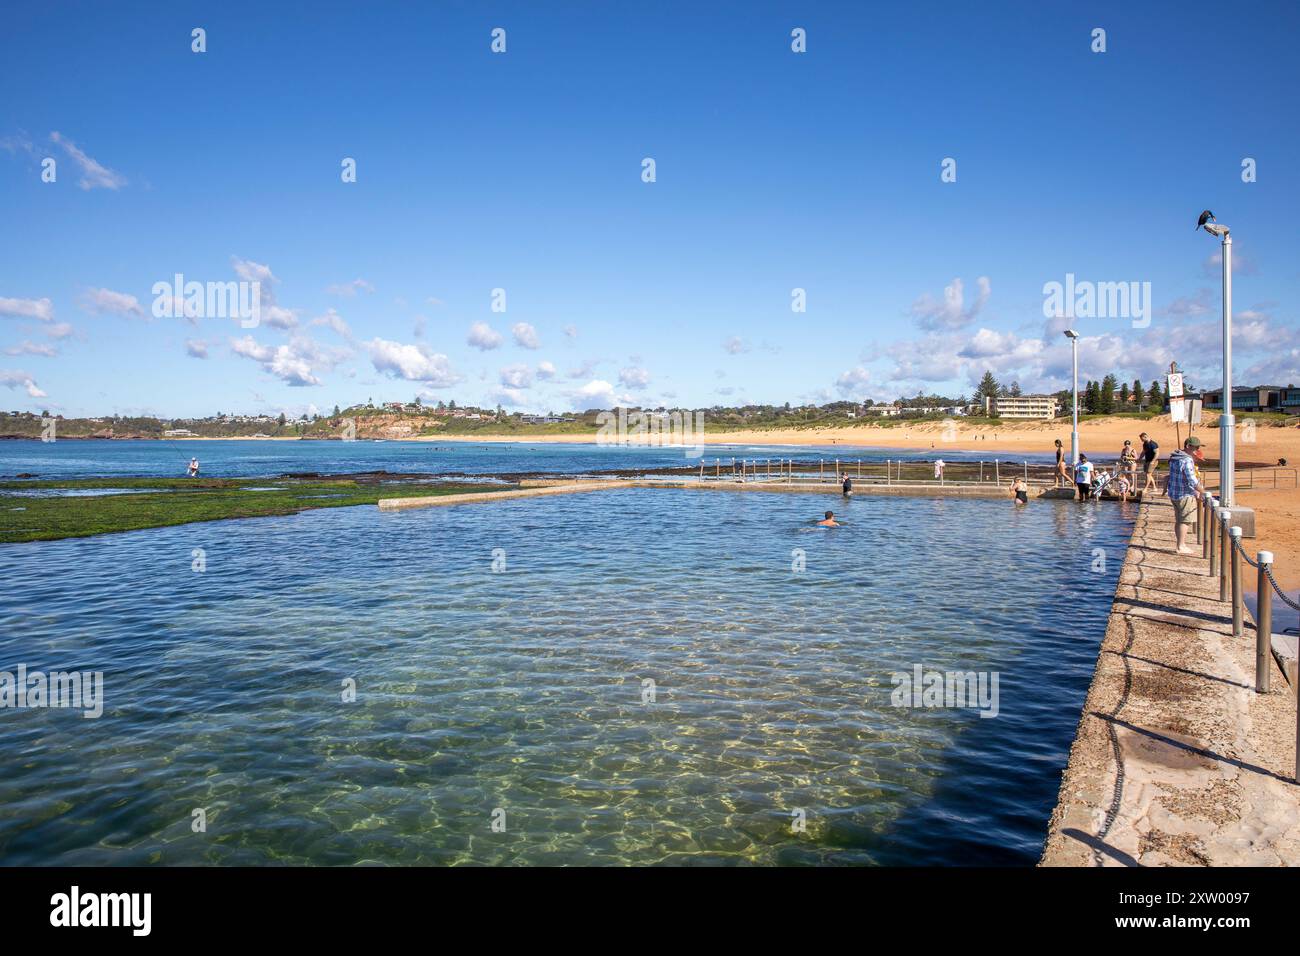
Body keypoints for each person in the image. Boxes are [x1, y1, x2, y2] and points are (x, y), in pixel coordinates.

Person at [1167, 436, 1206, 554]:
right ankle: (1181, 546)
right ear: (1188, 446)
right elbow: (1192, 480)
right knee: (1185, 521)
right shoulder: (1187, 460)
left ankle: (1180, 544)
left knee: (1179, 520)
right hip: (1184, 494)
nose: (1197, 450)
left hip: (1174, 493)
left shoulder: (1175, 457)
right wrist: (1204, 492)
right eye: (1196, 447)